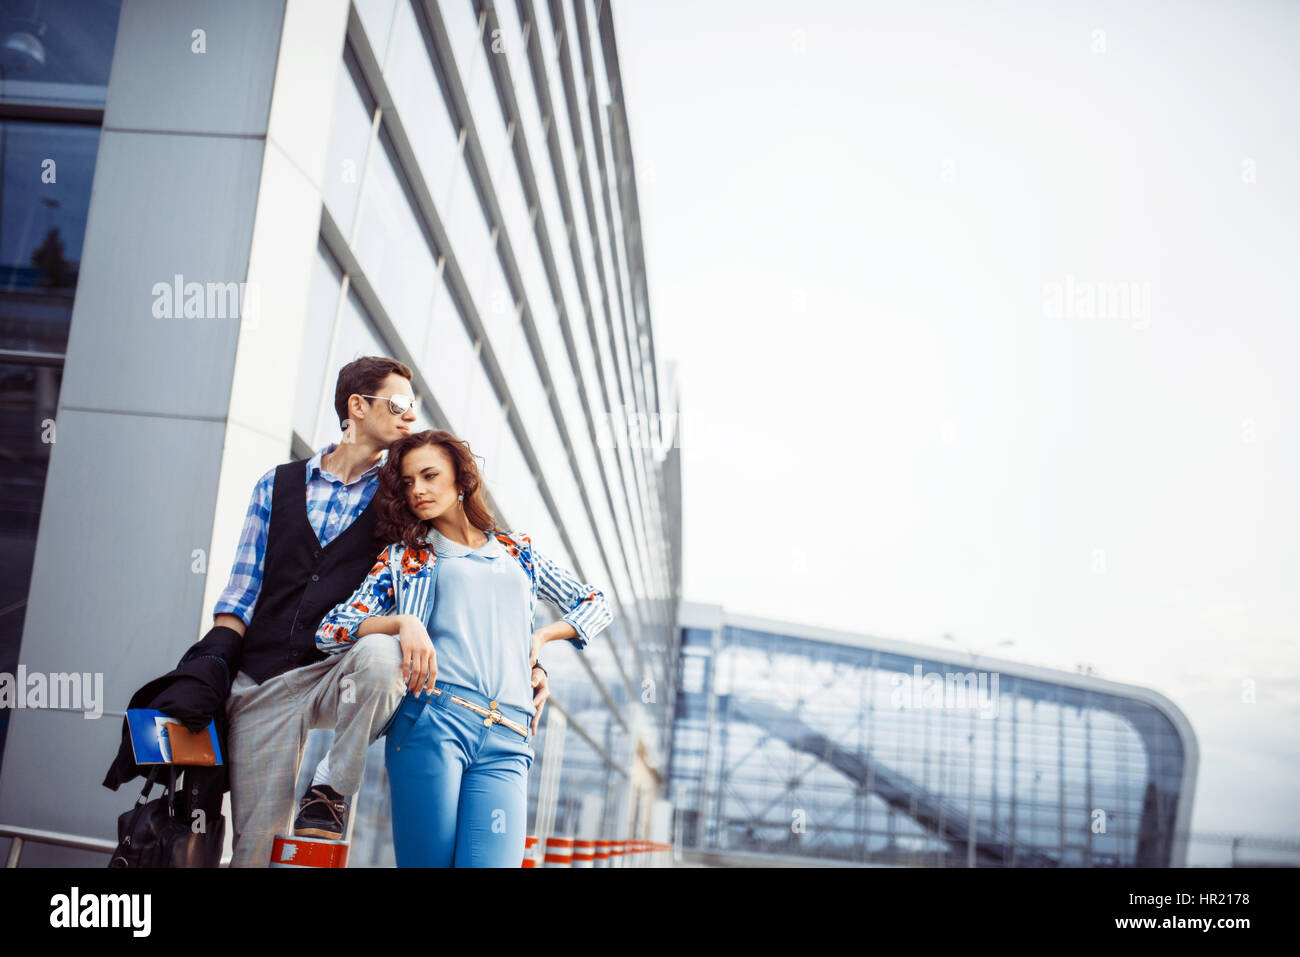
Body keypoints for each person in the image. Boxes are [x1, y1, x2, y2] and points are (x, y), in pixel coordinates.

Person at [210, 357, 552, 866]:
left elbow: (482, 588)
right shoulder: (275, 485)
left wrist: (529, 656)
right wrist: (210, 665)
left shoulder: (403, 500)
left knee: (382, 655)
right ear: (357, 407)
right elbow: (240, 597)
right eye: (398, 406)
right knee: (255, 852)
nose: (409, 418)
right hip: (265, 679)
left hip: (343, 672)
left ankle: (330, 791)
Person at [315, 428, 612, 867]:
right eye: (410, 483)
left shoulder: (518, 552)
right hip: (432, 723)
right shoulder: (407, 557)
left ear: (461, 479)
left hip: (509, 734)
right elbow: (331, 629)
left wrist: (541, 638)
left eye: (430, 475)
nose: (418, 490)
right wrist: (403, 622)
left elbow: (595, 602)